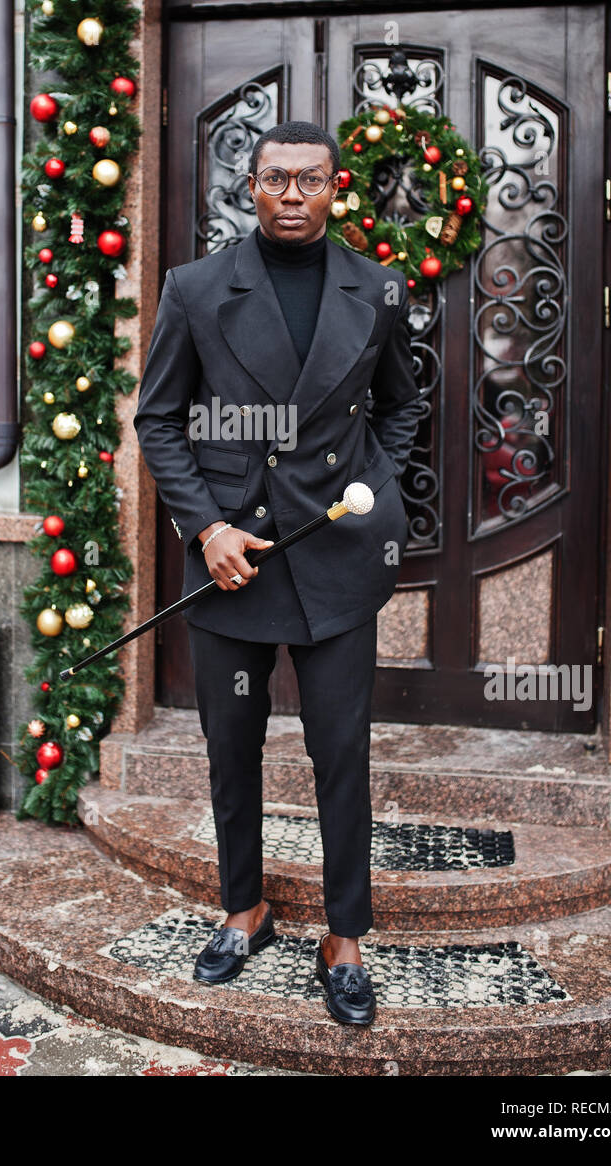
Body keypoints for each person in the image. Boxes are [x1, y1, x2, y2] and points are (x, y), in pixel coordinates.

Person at [133, 120, 424, 1025]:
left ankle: (344, 937)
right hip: (234, 562)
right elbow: (159, 420)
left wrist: (375, 487)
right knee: (232, 751)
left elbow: (401, 408)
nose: (290, 194)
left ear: (335, 190)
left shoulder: (374, 290)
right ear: (248, 188)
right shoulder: (193, 289)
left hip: (334, 559)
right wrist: (205, 525)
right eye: (273, 179)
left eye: (309, 180)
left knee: (341, 753)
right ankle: (244, 909)